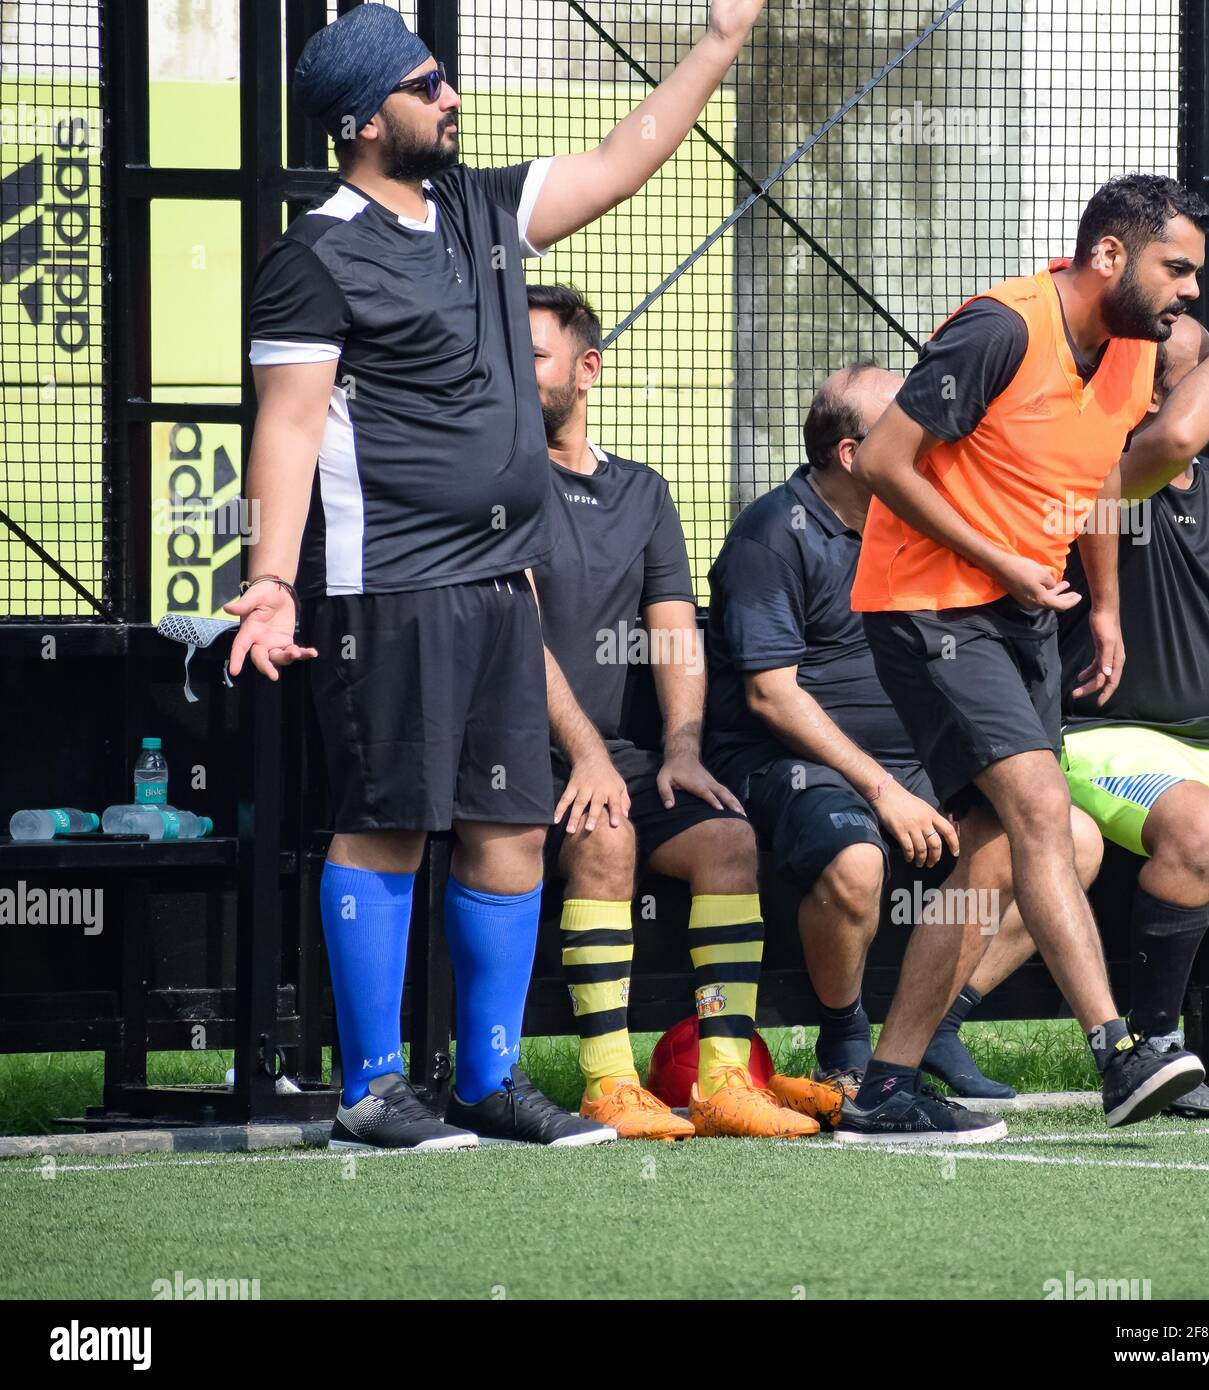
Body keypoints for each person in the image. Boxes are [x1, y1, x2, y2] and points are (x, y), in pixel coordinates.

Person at [226, 1, 770, 1151]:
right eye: (427, 86)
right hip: (390, 589)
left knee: (509, 828)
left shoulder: (478, 205)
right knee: (388, 826)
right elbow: (284, 428)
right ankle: (374, 1091)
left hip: (495, 582)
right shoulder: (313, 256)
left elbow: (626, 161)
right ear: (367, 120)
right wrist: (272, 579)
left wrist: (720, 39)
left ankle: (489, 1081)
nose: (451, 96)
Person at [844, 174, 1209, 1139]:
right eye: (1174, 267)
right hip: (927, 603)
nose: (1189, 291)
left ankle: (885, 1083)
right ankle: (1115, 1049)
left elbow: (1093, 476)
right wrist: (1001, 558)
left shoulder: (1133, 349)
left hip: (1018, 608)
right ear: (1107, 256)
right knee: (1043, 809)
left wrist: (1105, 609)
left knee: (997, 849)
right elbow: (883, 459)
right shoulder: (999, 328)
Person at [704, 363, 1102, 1130]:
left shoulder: (924, 525)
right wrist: (883, 791)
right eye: (908, 424)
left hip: (920, 757)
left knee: (1070, 841)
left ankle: (931, 1031)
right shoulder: (771, 532)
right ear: (854, 455)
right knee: (857, 861)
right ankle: (846, 1042)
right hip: (796, 764)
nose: (934, 438)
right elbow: (770, 694)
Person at [528, 284, 818, 1140]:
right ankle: (607, 1083)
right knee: (607, 833)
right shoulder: (500, 482)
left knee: (729, 840)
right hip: (522, 761)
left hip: (622, 760)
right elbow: (520, 634)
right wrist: (583, 756)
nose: (513, 370)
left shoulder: (643, 492)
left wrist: (683, 749)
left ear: (587, 369)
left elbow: (674, 634)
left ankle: (724, 1082)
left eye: (533, 355)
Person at [1057, 301, 1209, 1105]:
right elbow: (1176, 439)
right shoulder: (1100, 477)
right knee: (1197, 821)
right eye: (1189, 374)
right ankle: (1151, 1046)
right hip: (1107, 738)